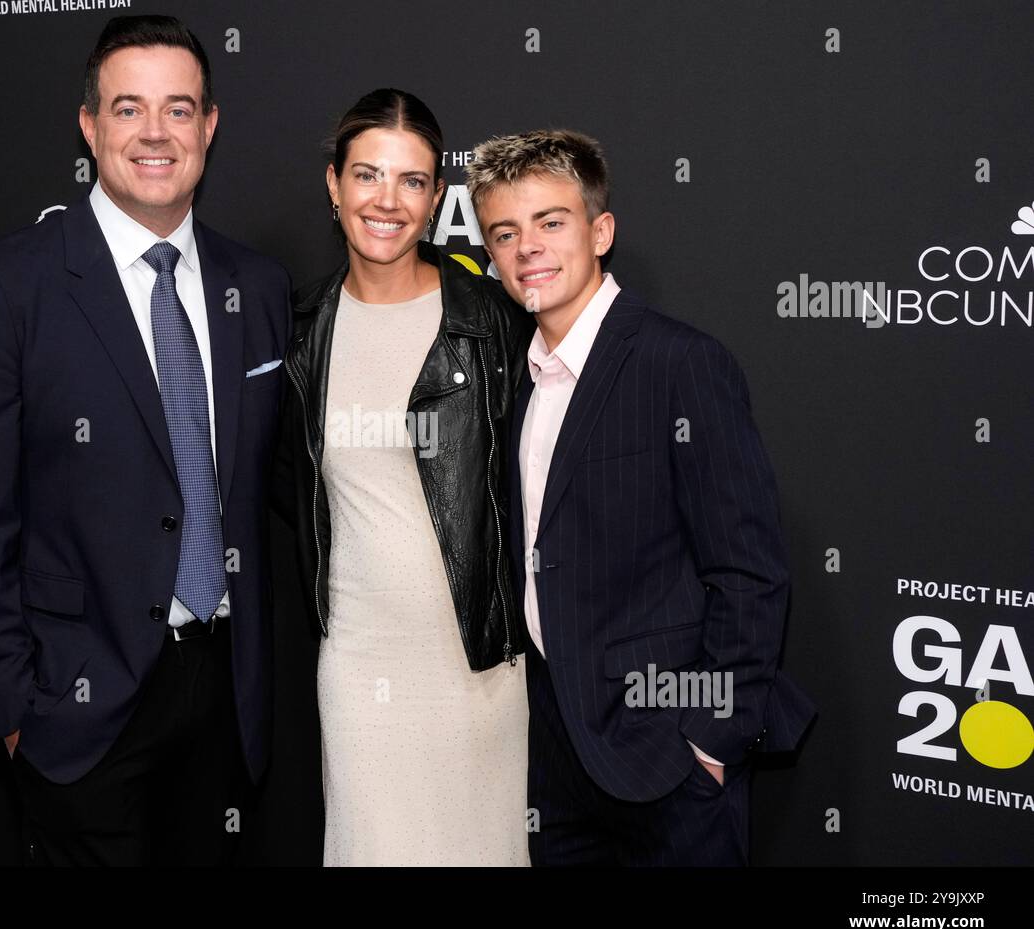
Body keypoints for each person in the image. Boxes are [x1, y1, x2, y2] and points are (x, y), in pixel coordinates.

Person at [0, 15, 291, 865]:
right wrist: (12, 709)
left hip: (227, 698)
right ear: (89, 125)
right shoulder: (5, 284)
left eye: (179, 109)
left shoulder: (256, 286)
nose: (156, 133)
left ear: (210, 126)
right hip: (78, 705)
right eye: (129, 109)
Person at [467, 129, 816, 865]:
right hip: (561, 762)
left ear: (601, 231)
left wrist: (707, 742)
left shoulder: (680, 364)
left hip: (669, 763)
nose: (527, 247)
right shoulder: (521, 379)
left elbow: (749, 572)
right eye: (505, 232)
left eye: (550, 222)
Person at [274, 89, 534, 866]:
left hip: (475, 671)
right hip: (359, 668)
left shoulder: (493, 320)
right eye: (368, 175)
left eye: (412, 181)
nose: (387, 201)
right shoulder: (302, 329)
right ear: (333, 185)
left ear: (434, 198)